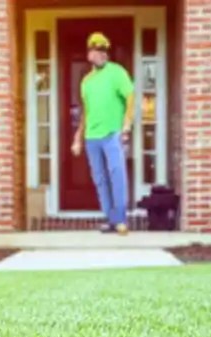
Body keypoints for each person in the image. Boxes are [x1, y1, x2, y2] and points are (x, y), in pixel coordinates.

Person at [70, 32, 135, 235]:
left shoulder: (117, 72)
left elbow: (130, 98)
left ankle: (121, 220)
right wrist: (78, 137)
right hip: (92, 137)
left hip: (113, 133)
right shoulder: (86, 81)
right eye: (98, 50)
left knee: (117, 174)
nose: (102, 54)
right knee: (100, 179)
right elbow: (86, 112)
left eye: (104, 50)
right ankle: (111, 219)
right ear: (89, 54)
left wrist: (127, 125)